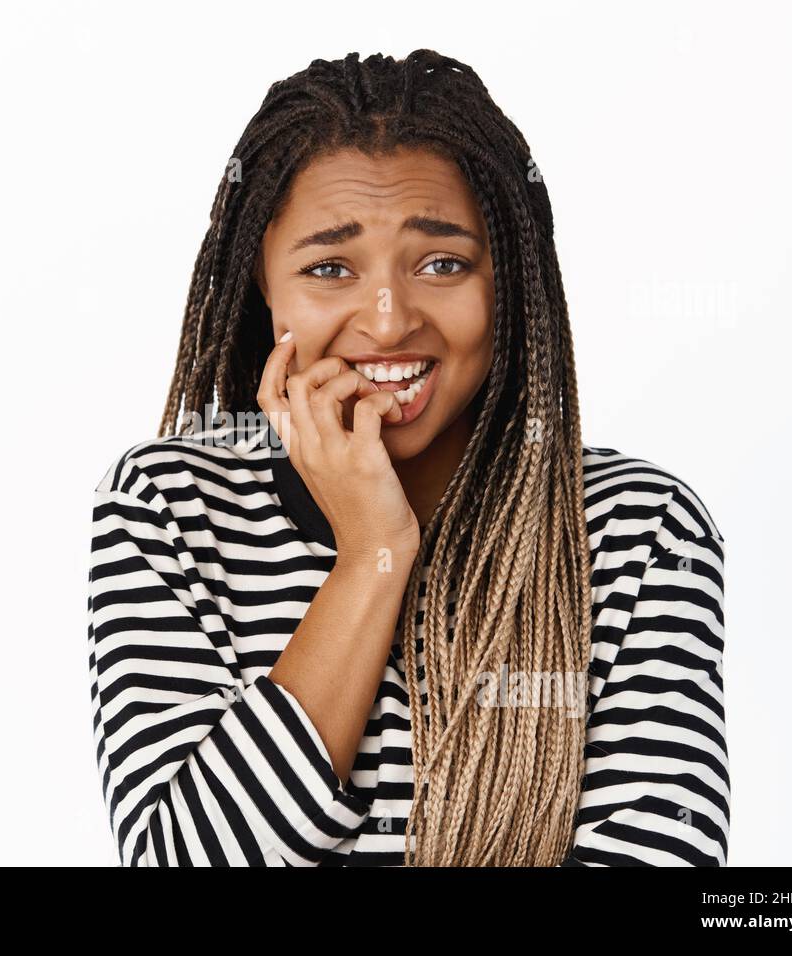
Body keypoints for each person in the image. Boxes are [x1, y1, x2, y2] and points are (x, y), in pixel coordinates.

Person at [86, 49, 728, 866]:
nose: (388, 322)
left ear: (511, 284)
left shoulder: (642, 533)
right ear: (264, 284)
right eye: (328, 268)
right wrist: (373, 557)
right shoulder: (167, 509)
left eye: (443, 264)